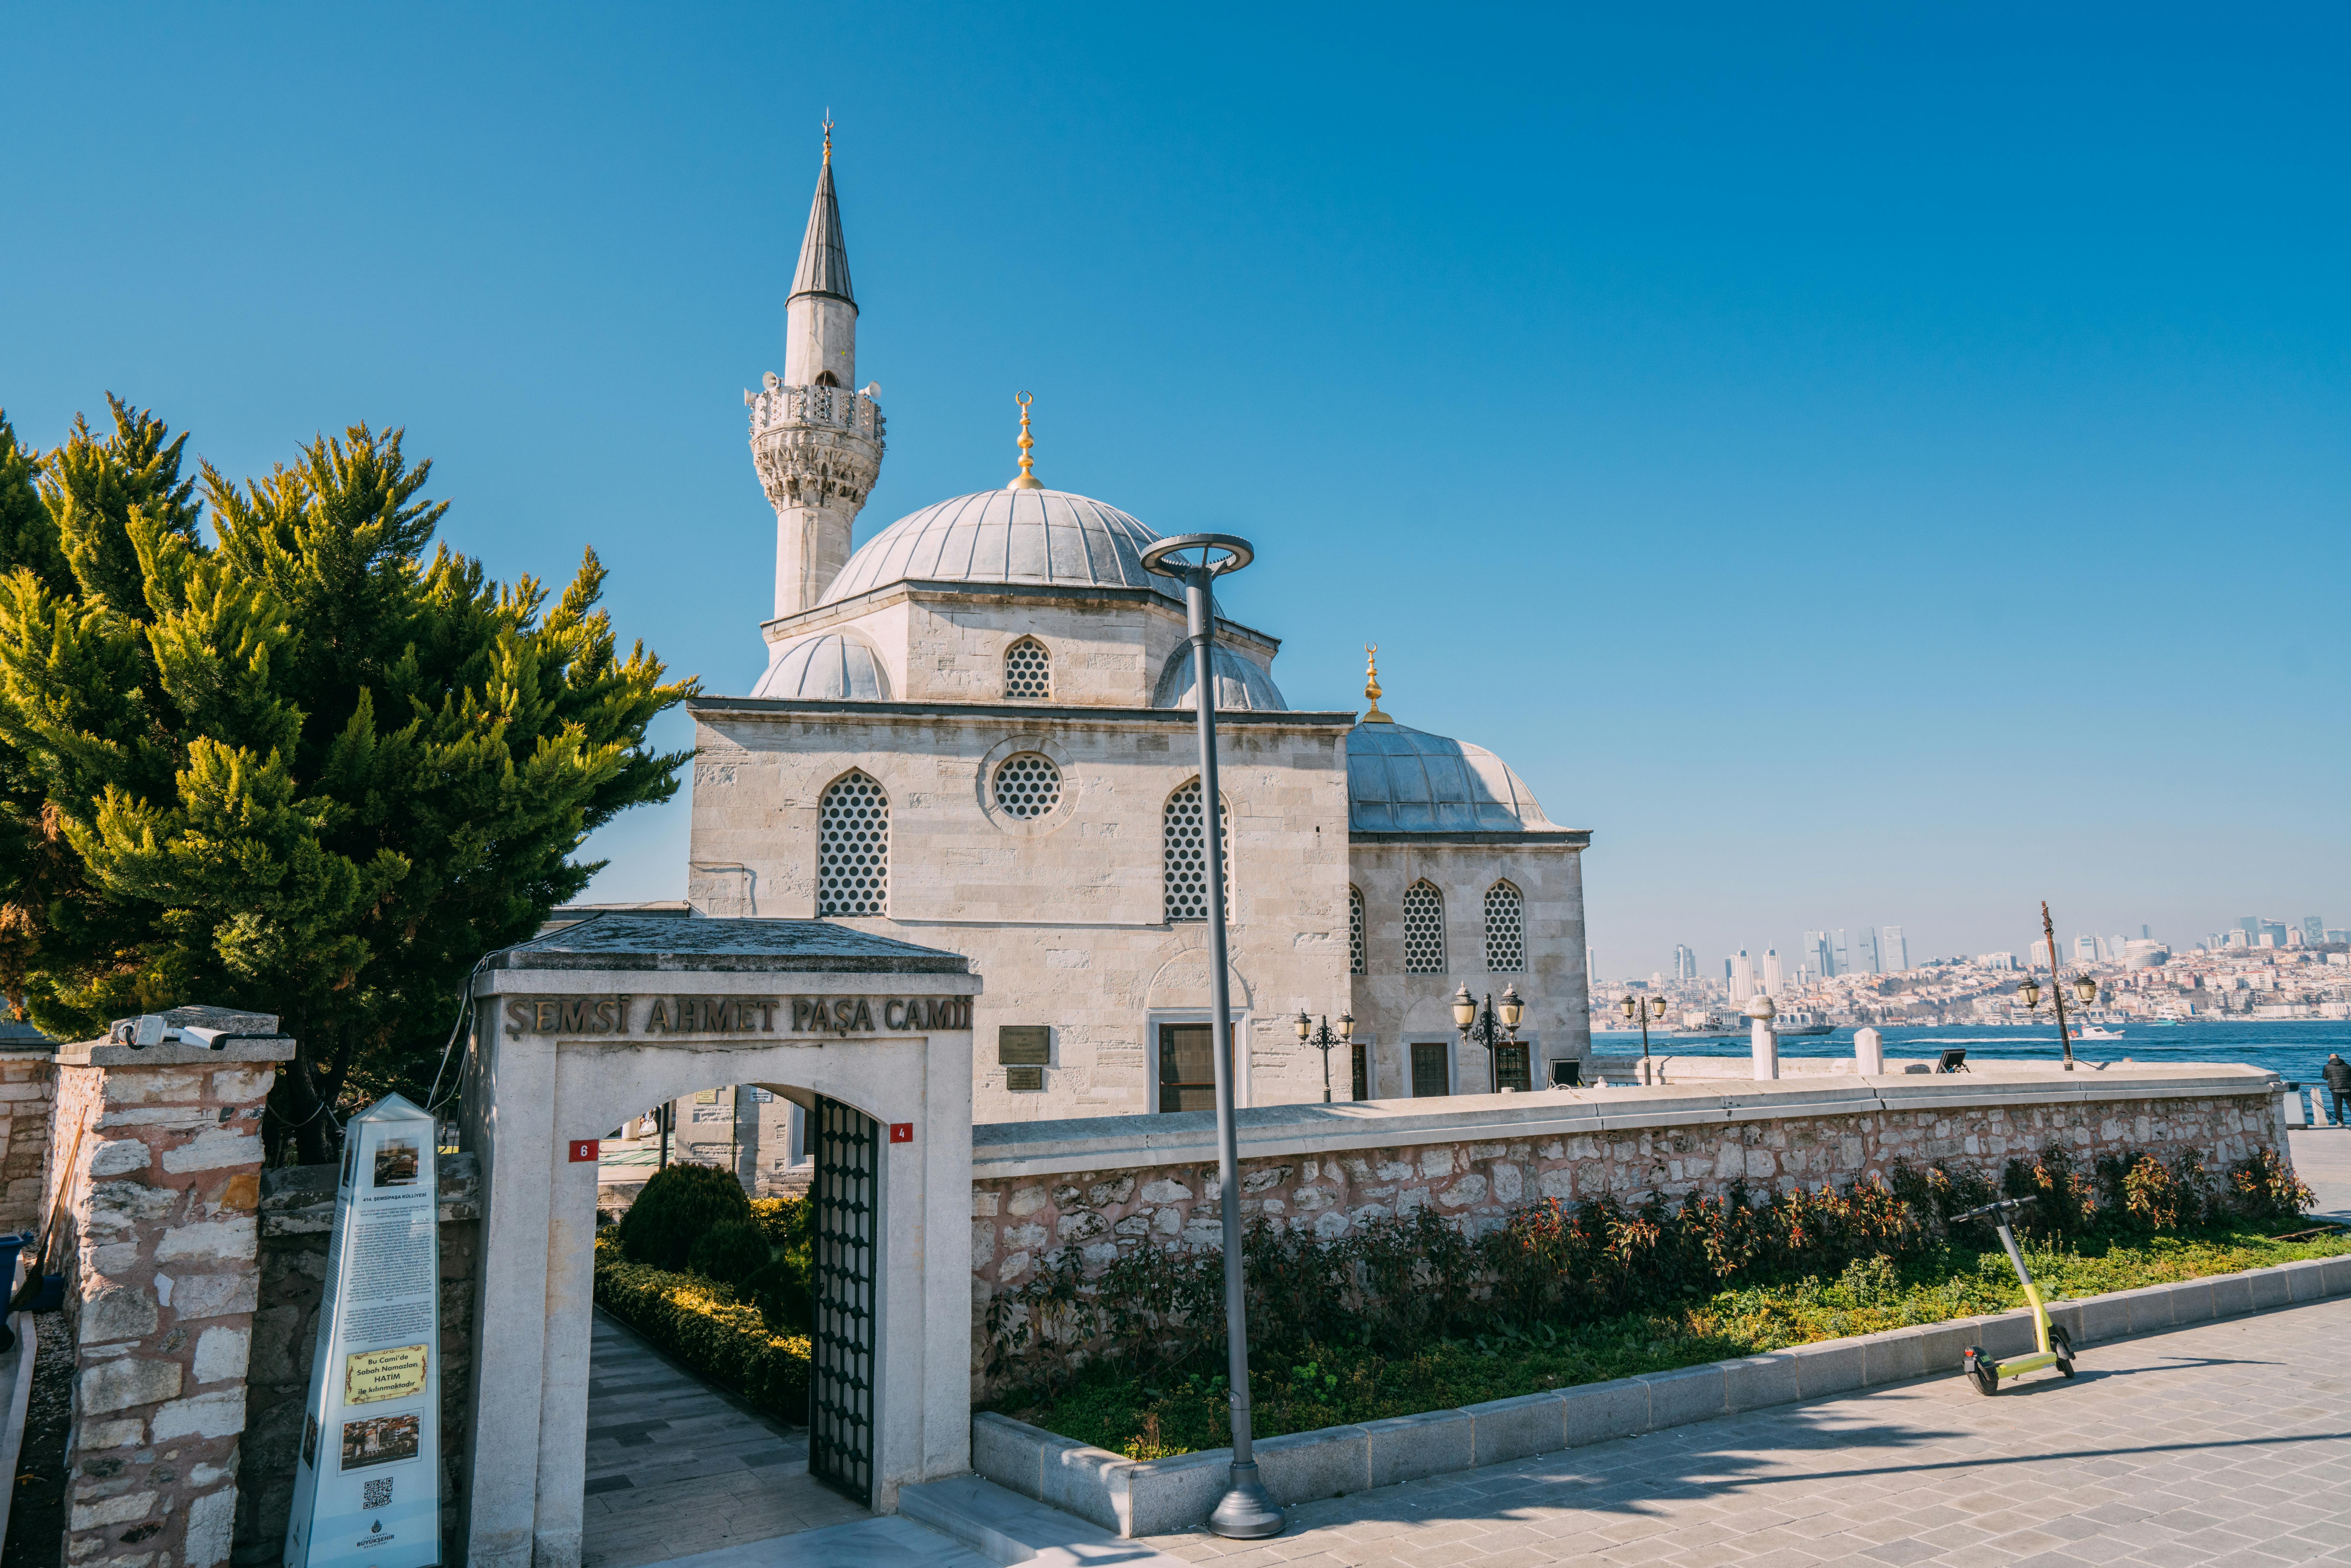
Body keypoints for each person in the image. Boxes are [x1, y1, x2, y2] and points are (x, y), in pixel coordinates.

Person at [2325, 1053, 2351, 1128]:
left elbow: (2325, 1077)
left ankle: (2340, 1123)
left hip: (2335, 1089)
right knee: (2350, 1105)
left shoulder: (2327, 1067)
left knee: (2338, 1107)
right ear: (2339, 1058)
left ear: (2330, 1059)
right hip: (2348, 1089)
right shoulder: (2347, 1066)